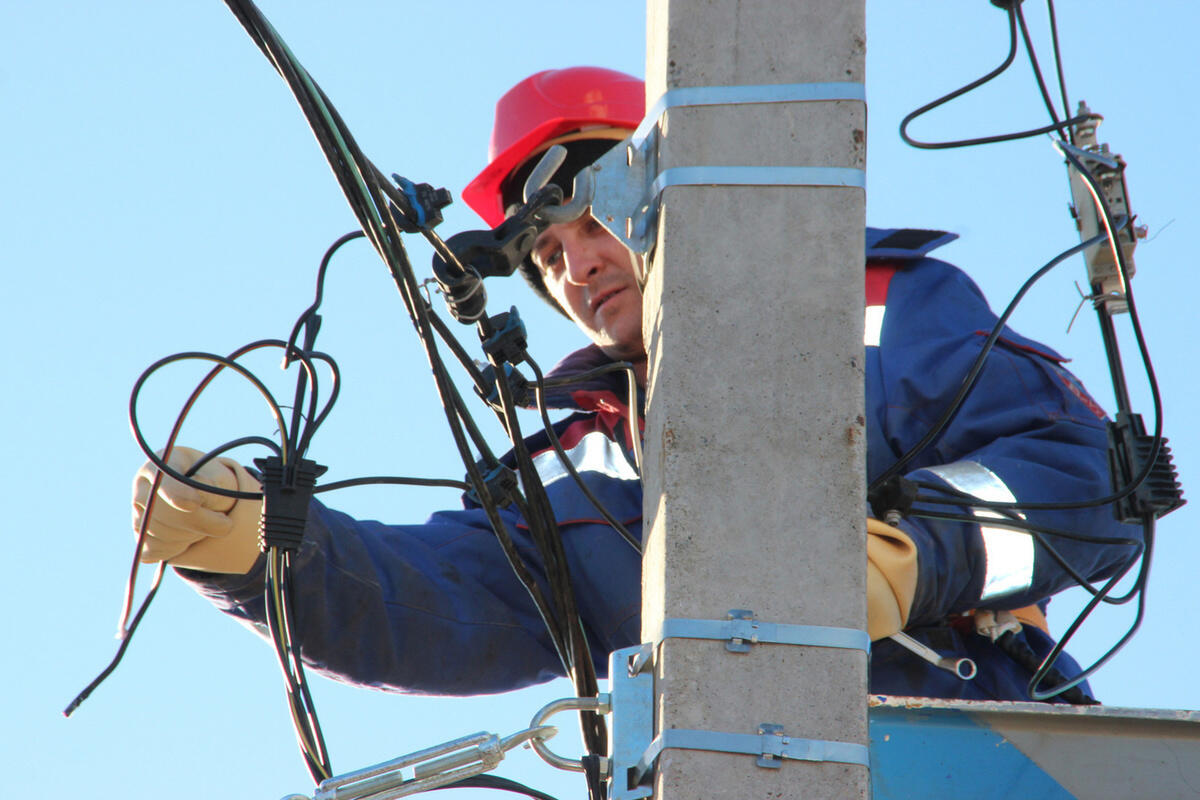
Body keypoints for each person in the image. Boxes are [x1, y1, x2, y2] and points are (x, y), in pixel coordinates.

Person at [132, 66, 1142, 702]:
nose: (574, 266)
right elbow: (445, 601)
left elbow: (1084, 479)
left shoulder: (872, 311)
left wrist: (915, 555)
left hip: (969, 744)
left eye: (590, 219)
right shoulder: (575, 461)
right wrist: (263, 549)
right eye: (545, 254)